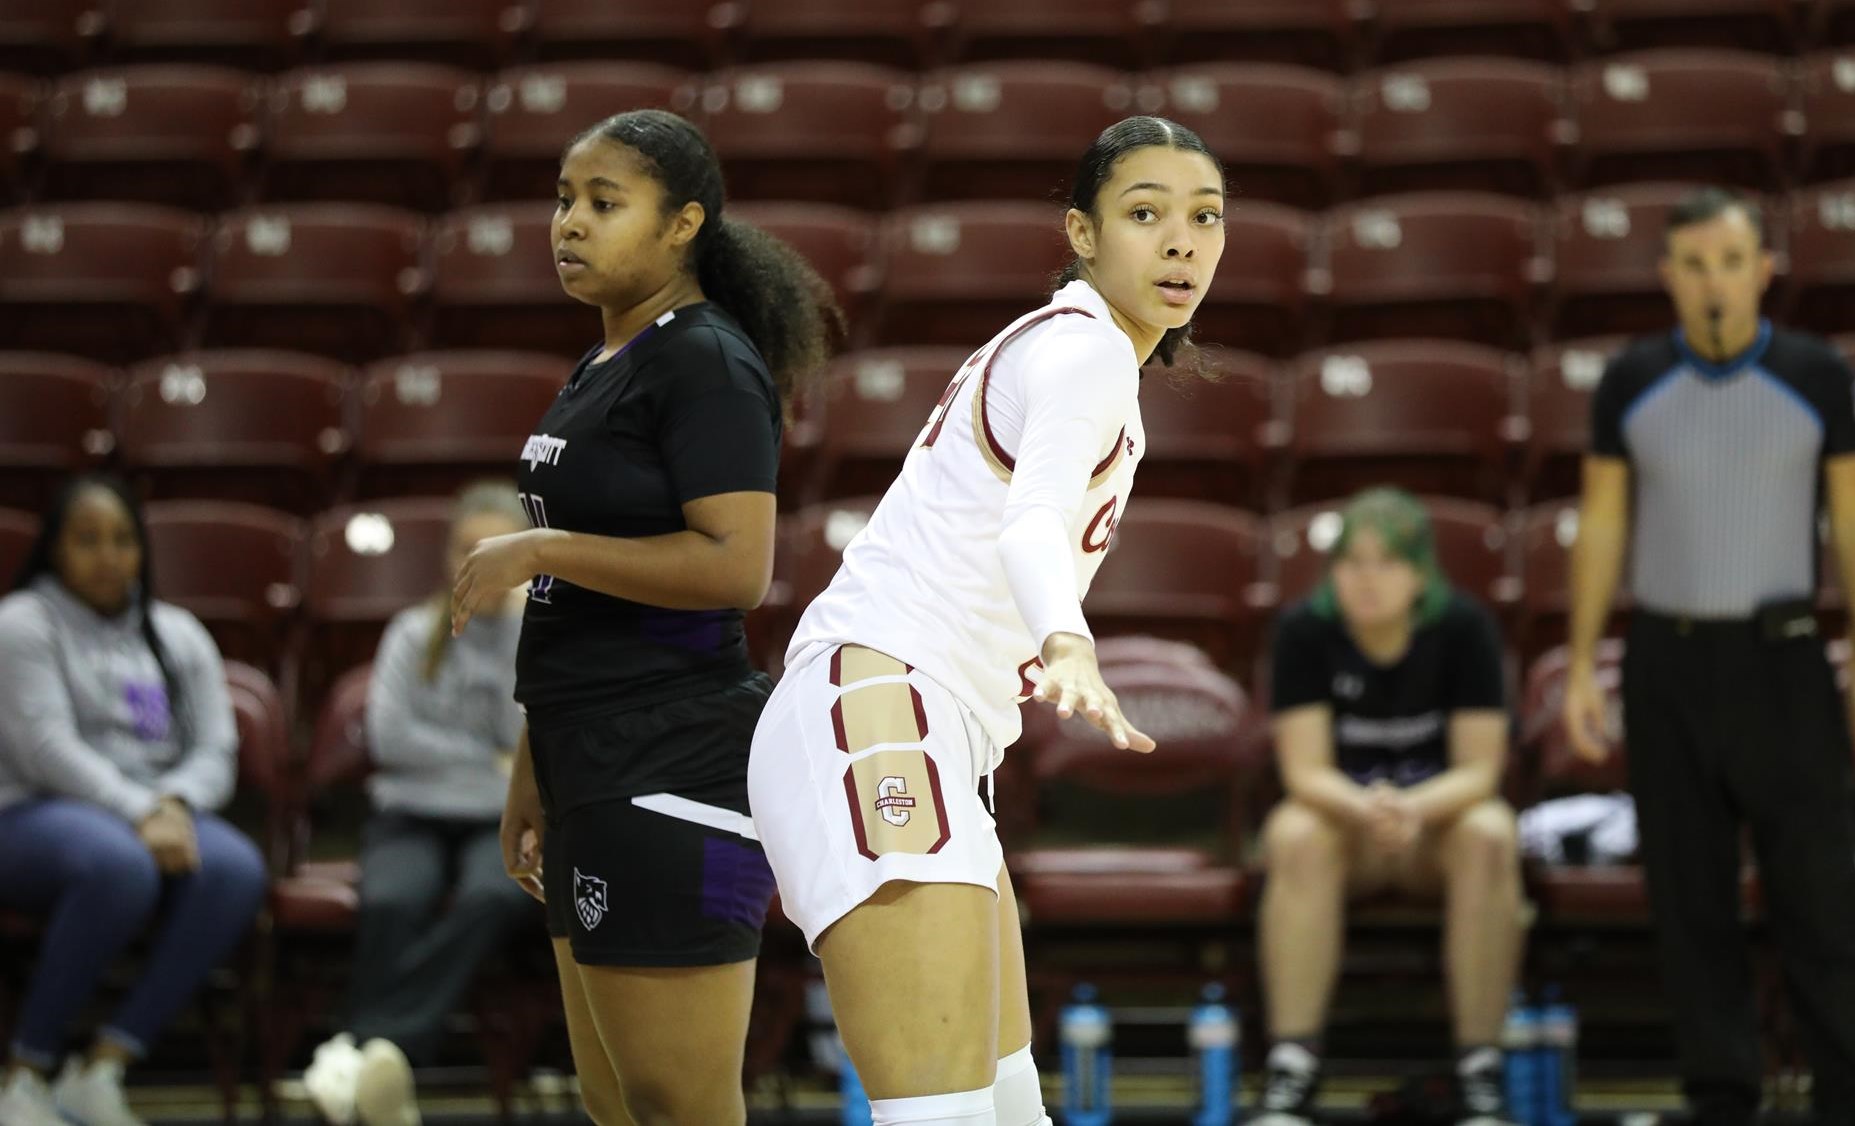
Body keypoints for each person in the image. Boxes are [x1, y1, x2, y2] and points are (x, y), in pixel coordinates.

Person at [748, 115, 1226, 1126]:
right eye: (1145, 214)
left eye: (1203, 218)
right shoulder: (1084, 351)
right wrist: (1066, 640)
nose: (1181, 241)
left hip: (930, 725)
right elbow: (1032, 524)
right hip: (877, 702)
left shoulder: (1079, 355)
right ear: (1081, 233)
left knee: (1008, 1113)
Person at [448, 109, 840, 1126]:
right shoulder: (605, 361)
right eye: (563, 201)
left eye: (603, 204)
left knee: (682, 1104)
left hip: (677, 763)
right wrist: (538, 767)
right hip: (590, 758)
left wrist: (538, 547)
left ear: (682, 225)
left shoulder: (704, 360)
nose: (569, 224)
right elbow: (577, 607)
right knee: (615, 1101)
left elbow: (735, 567)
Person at [1563, 186, 1855, 1126]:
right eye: (1695, 265)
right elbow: (1600, 524)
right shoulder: (1631, 380)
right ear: (1669, 276)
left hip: (1782, 661)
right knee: (1690, 902)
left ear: (1764, 269)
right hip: (1666, 665)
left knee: (1822, 899)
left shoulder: (1819, 375)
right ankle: (1722, 1095)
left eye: (1731, 262)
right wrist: (1585, 659)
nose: (1715, 282)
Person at [0, 474, 267, 1126]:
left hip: (153, 811)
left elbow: (216, 750)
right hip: (32, 809)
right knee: (120, 865)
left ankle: (103, 1067)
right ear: (54, 548)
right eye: (87, 540)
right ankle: (24, 1074)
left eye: (122, 540)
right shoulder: (21, 626)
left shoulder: (177, 633)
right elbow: (47, 751)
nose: (107, 556)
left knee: (235, 870)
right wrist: (142, 811)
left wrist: (171, 801)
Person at [1251, 488, 1520, 1126]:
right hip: (1351, 831)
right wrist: (1373, 808)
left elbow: (1481, 771)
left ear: (1421, 572)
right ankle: (1293, 1066)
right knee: (1293, 833)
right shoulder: (1304, 631)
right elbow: (1304, 773)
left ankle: (1480, 1069)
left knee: (1491, 831)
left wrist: (1412, 808)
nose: (1365, 579)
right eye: (1351, 562)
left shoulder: (1464, 628)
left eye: (1386, 562)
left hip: (1434, 832)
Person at [302, 481, 540, 1126]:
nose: (483, 561)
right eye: (470, 548)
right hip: (410, 813)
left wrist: (515, 629)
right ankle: (377, 1057)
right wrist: (481, 761)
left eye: (499, 548)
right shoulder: (410, 633)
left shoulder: (538, 637)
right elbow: (391, 737)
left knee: (492, 895)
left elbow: (527, 739)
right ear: (448, 558)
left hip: (497, 819)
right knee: (393, 898)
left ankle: (364, 1049)